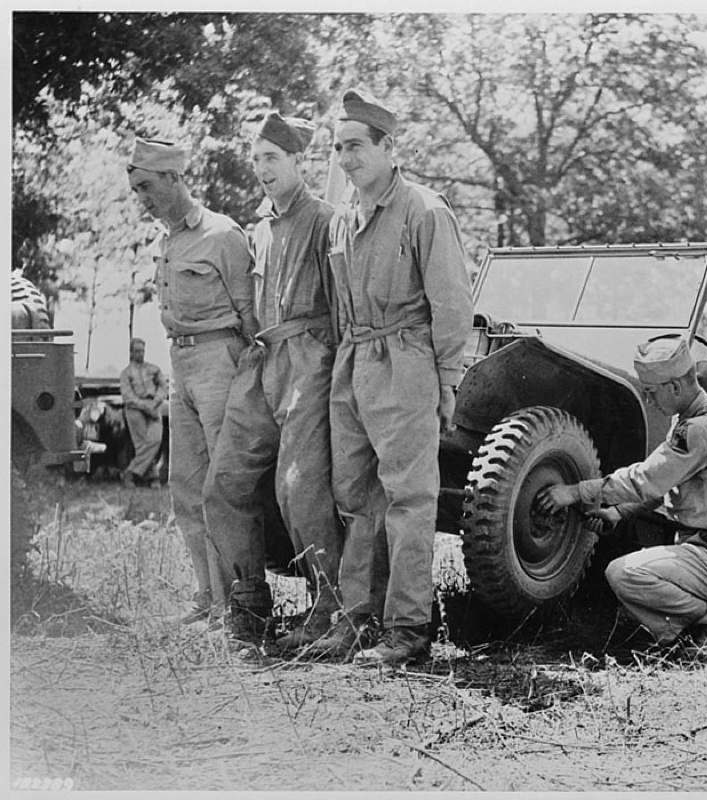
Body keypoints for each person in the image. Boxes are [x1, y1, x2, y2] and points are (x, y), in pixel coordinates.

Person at [304, 89, 474, 667]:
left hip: (406, 363)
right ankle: (356, 619)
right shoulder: (341, 221)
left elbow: (452, 305)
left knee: (408, 497)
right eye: (338, 148)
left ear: (388, 147)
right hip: (354, 364)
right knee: (354, 497)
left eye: (356, 146)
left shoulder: (425, 210)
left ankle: (407, 631)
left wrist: (447, 380)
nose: (346, 159)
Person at [203, 113, 342, 649]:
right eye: (257, 159)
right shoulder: (258, 230)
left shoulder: (326, 220)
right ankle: (250, 602)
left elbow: (343, 307)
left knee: (299, 488)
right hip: (262, 362)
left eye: (272, 158)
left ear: (298, 162)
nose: (262, 169)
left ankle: (330, 608)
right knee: (224, 485)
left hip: (311, 359)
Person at [536, 336, 707, 650]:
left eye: (652, 393)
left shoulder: (701, 428)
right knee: (631, 585)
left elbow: (646, 480)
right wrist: (617, 513)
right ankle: (685, 633)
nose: (650, 401)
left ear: (676, 387)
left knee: (624, 574)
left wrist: (574, 492)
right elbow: (663, 488)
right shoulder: (693, 418)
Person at [127, 137, 259, 625]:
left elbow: (251, 316)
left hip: (220, 361)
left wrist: (246, 376)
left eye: (147, 186)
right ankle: (209, 595)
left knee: (226, 487)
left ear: (174, 178)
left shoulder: (222, 235)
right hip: (181, 368)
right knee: (184, 485)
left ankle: (243, 602)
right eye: (136, 189)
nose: (142, 198)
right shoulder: (167, 240)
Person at [119, 337, 168, 487]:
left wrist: (155, 402)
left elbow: (163, 386)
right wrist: (144, 407)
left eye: (142, 351)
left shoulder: (153, 369)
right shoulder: (126, 373)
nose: (140, 354)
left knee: (155, 440)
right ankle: (152, 478)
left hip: (153, 405)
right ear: (131, 353)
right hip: (135, 409)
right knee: (141, 445)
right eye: (137, 351)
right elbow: (128, 396)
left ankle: (130, 473)